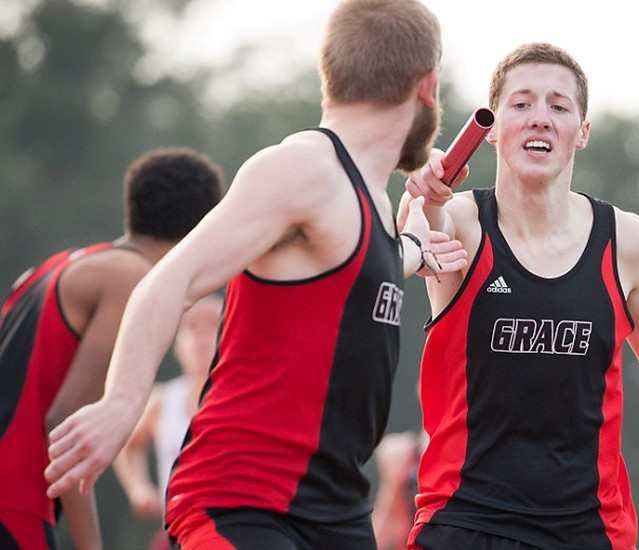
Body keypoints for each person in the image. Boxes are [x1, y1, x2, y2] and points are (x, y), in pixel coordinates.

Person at [43, 0, 467, 548]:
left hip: (337, 513)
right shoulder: (304, 168)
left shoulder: (371, 202)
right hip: (244, 502)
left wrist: (411, 247)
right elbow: (169, 279)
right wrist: (122, 402)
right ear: (428, 84)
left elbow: (362, 270)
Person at [400, 42, 639, 549]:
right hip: (464, 522)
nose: (540, 119)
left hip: (589, 530)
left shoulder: (627, 241)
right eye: (522, 104)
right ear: (493, 128)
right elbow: (415, 231)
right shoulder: (462, 222)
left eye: (559, 106)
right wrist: (421, 194)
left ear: (582, 132)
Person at [0, 148, 225, 550]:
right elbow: (67, 422)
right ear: (202, 226)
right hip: (13, 501)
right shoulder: (131, 278)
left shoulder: (57, 265)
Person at [112, 294, 224, 550]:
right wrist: (138, 488)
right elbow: (127, 446)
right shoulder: (162, 401)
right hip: (178, 532)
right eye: (192, 328)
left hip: (233, 530)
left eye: (213, 327)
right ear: (177, 345)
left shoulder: (246, 400)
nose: (202, 339)